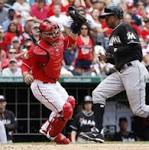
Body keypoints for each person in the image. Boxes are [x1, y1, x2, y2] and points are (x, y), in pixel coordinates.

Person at [89, 4, 149, 142]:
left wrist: (114, 52)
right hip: (121, 71)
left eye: (108, 17)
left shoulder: (124, 27)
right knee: (98, 93)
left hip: (133, 69)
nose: (105, 20)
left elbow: (134, 47)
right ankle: (98, 131)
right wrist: (107, 58)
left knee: (139, 110)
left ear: (116, 16)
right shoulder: (112, 34)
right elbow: (115, 56)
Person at [21, 19, 76, 144]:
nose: (53, 35)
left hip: (54, 83)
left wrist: (76, 26)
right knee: (65, 110)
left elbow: (71, 41)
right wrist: (25, 74)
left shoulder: (60, 39)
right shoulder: (37, 48)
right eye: (50, 34)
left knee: (70, 102)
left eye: (55, 32)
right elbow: (25, 63)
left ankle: (46, 128)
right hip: (41, 84)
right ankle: (53, 135)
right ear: (42, 34)